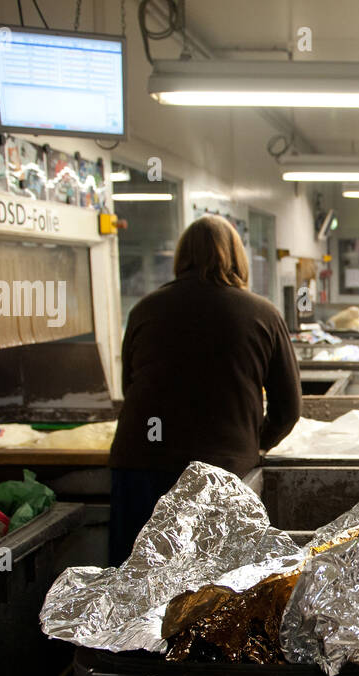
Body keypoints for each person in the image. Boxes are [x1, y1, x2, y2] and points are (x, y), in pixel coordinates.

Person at [107, 215, 301, 564]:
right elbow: (288, 408)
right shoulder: (263, 314)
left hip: (142, 462)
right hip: (221, 468)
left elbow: (129, 387)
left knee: (134, 584)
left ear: (181, 257)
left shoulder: (144, 309)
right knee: (214, 589)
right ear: (237, 258)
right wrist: (253, 442)